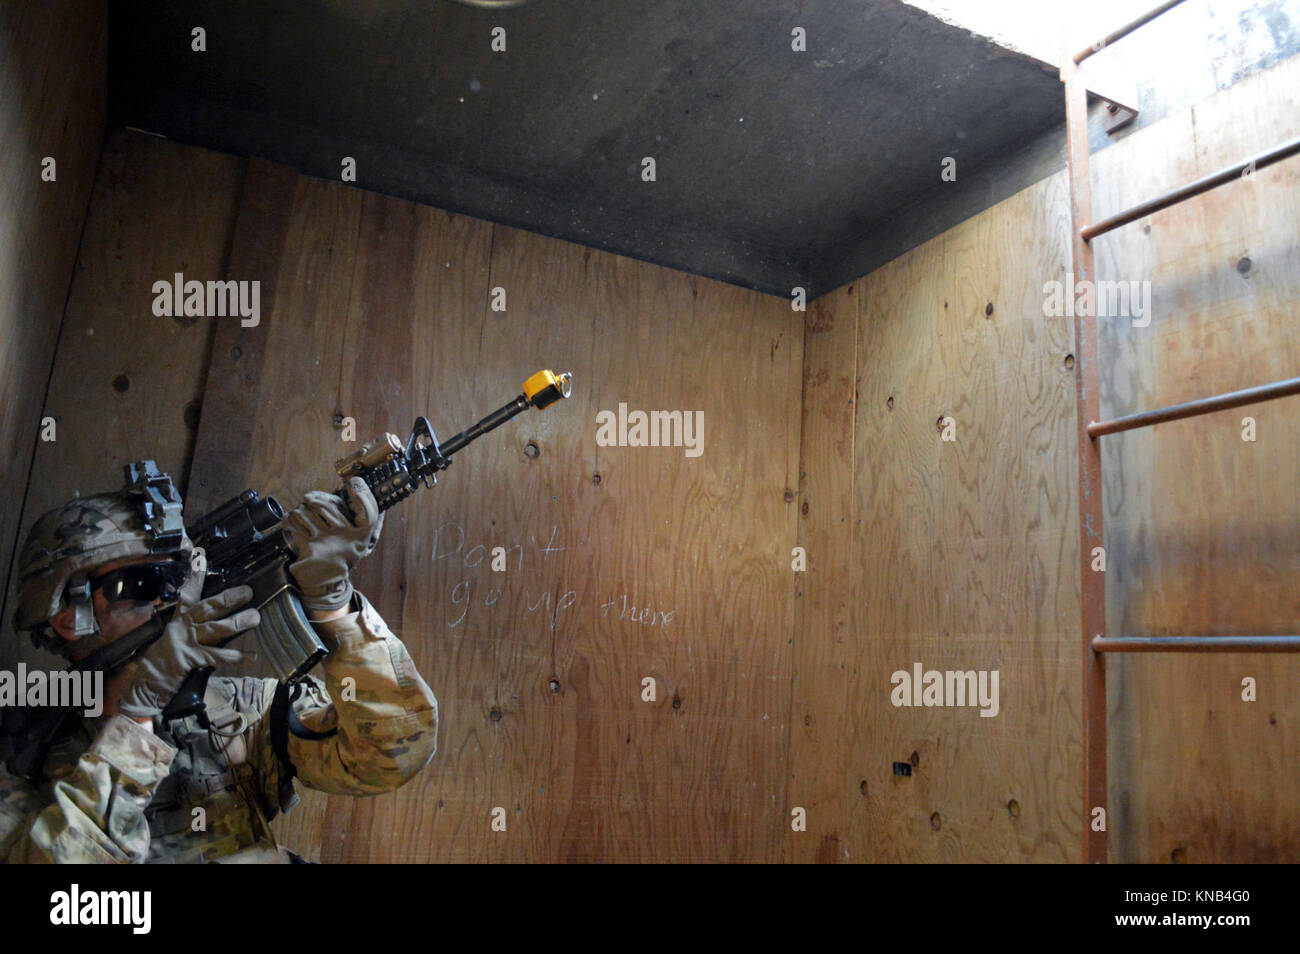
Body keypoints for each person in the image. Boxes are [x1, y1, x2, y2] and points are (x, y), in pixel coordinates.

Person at [0, 464, 438, 863]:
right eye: (141, 582)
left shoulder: (236, 713)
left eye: (174, 578)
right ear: (68, 618)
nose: (166, 598)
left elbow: (389, 754)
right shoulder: (22, 760)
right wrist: (136, 718)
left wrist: (333, 606)